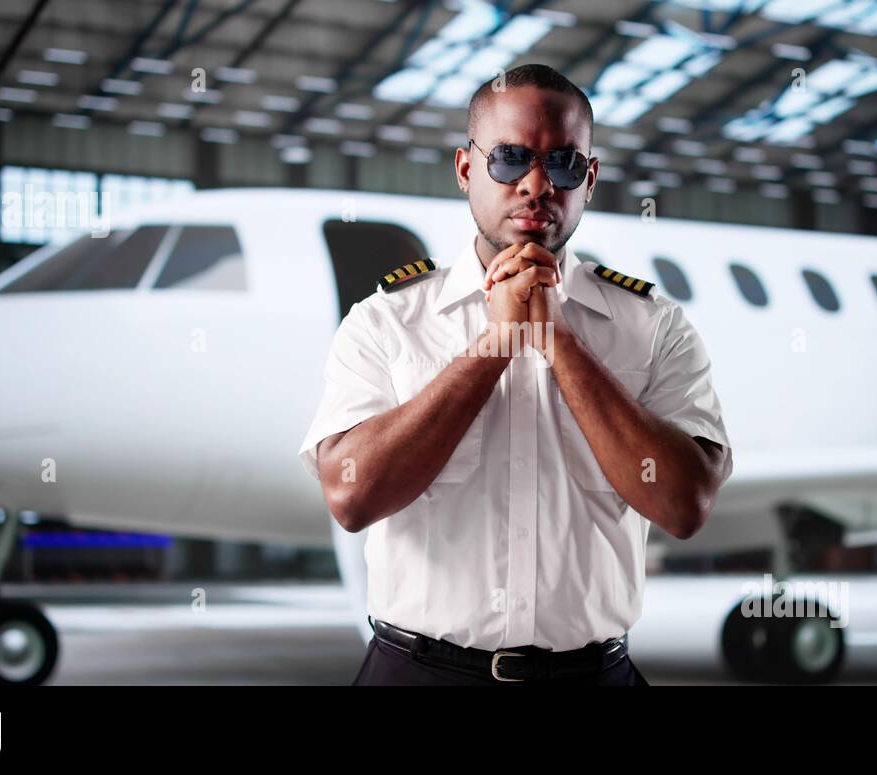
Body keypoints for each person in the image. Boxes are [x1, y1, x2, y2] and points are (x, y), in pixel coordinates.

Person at [298, 63, 733, 685]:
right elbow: (352, 496)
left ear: (590, 179)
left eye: (563, 164)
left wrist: (560, 341)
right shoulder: (385, 321)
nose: (536, 185)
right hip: (417, 673)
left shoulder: (653, 325)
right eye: (509, 158)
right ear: (465, 169)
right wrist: (494, 345)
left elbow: (684, 505)